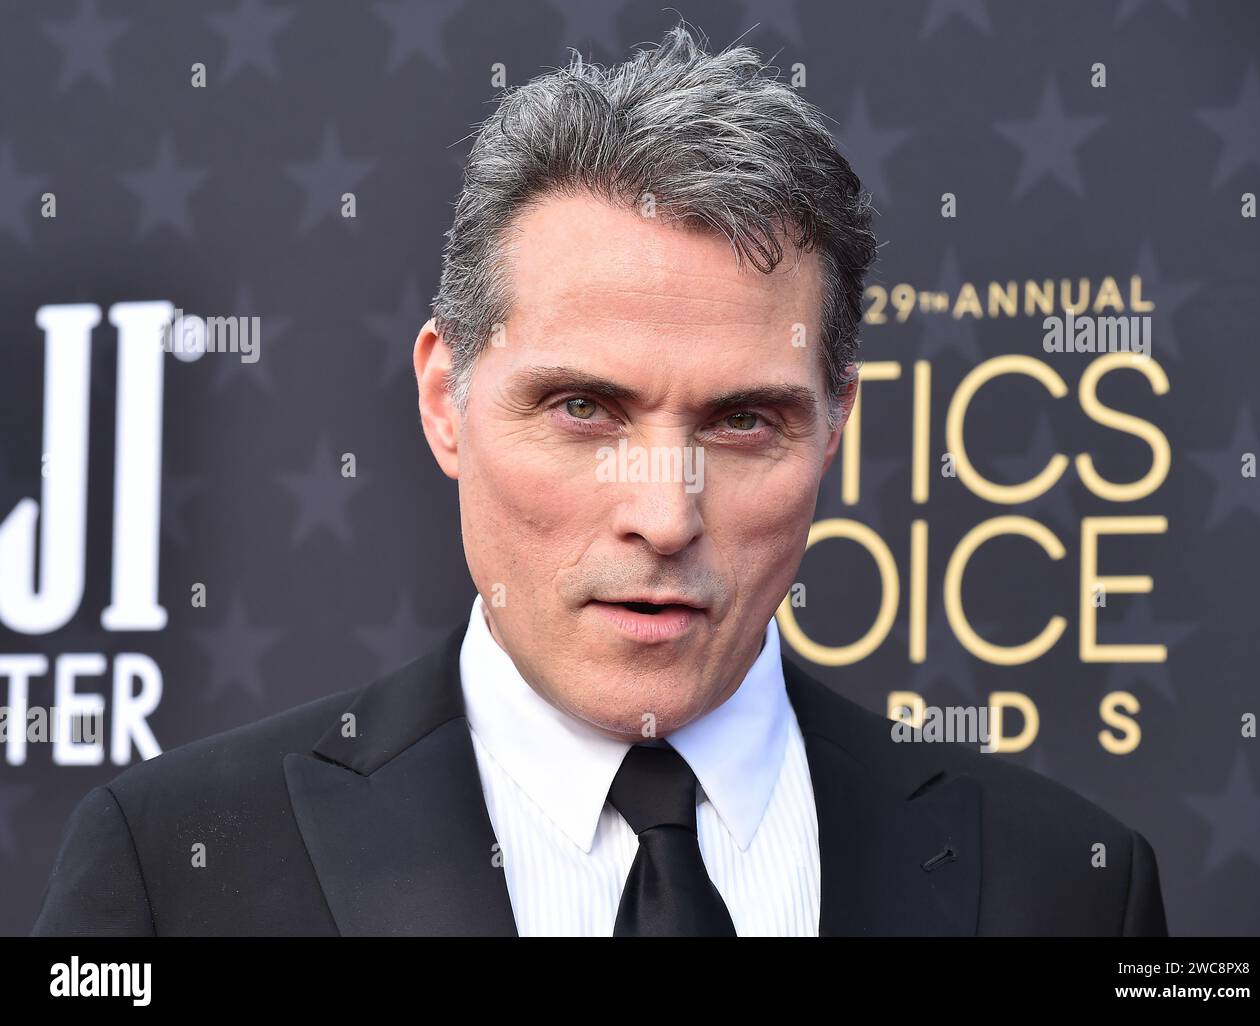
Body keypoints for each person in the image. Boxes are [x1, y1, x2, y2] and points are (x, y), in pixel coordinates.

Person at [32, 23, 1166, 937]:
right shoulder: (177, 871)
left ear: (834, 428)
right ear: (445, 399)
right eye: (583, 408)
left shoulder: (1066, 887)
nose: (663, 514)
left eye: (741, 422)